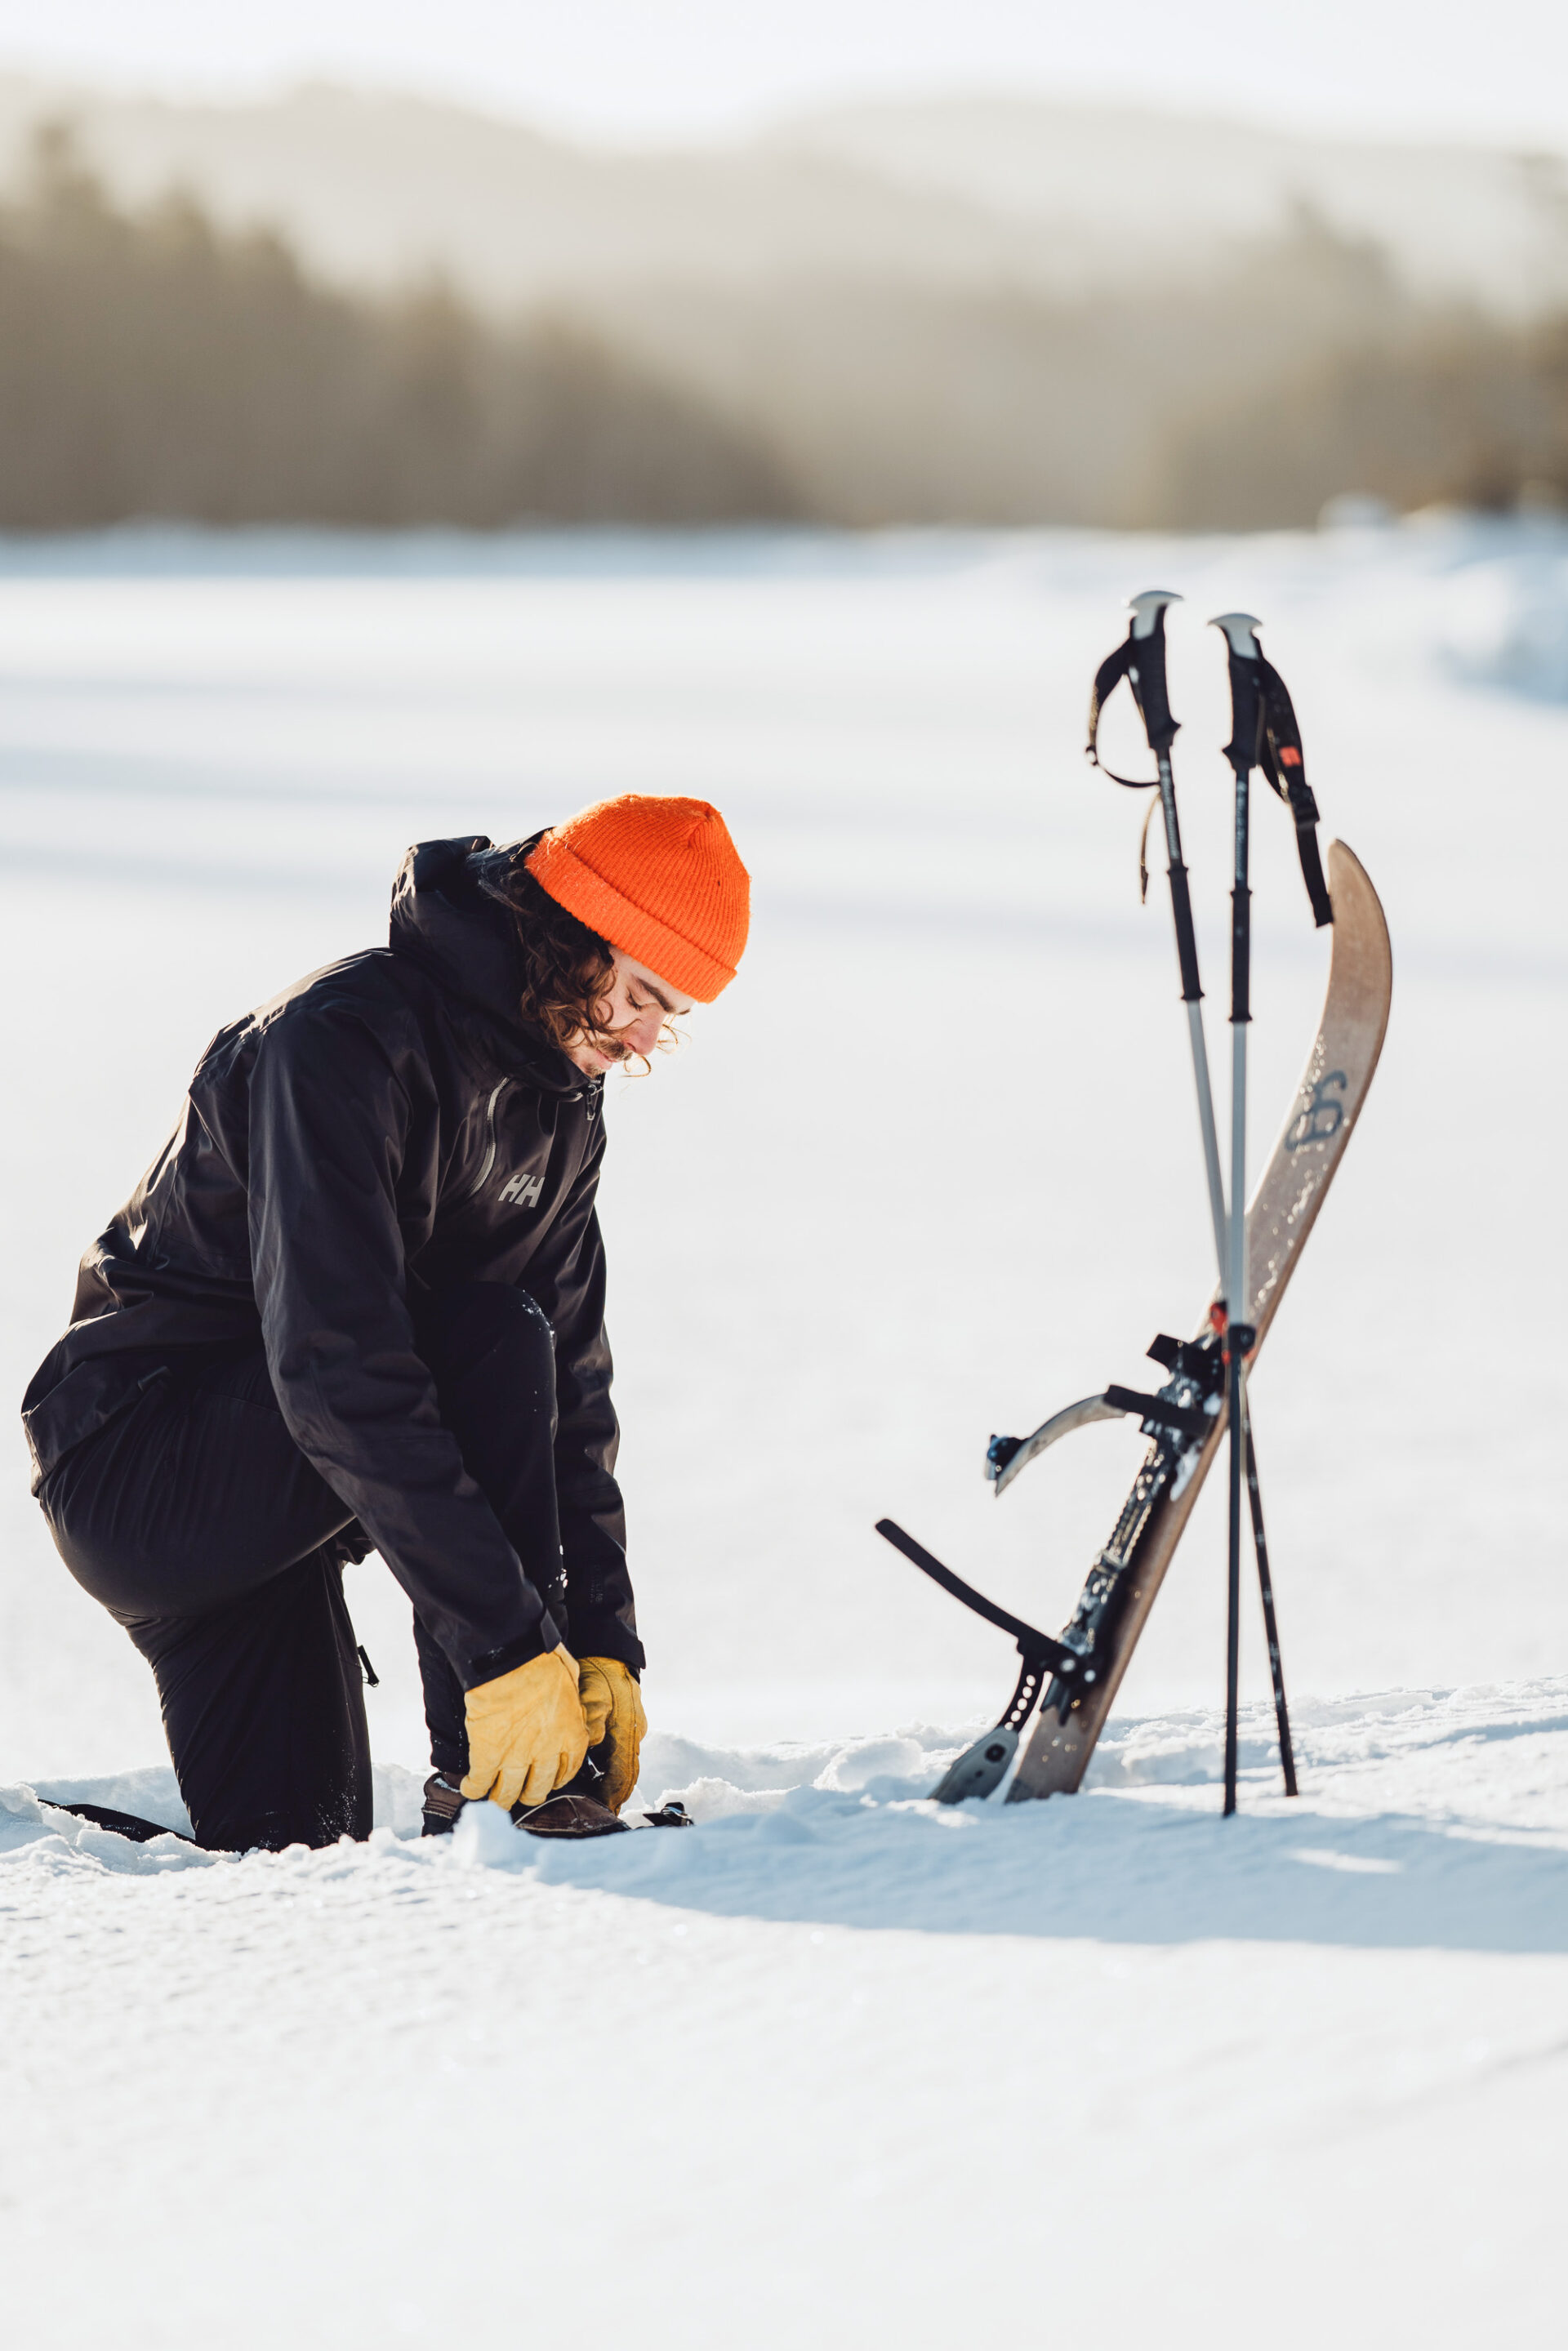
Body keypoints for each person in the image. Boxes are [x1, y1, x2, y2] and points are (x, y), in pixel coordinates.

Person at [21, 795, 749, 1851]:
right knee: (488, 1334)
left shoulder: (561, 1108)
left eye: (670, 1016)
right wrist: (506, 1653)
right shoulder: (342, 1042)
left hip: (281, 1525)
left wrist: (602, 1644)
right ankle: (508, 1796)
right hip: (142, 1461)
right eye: (640, 994)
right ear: (568, 934)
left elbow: (573, 1396)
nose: (644, 1039)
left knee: (301, 1859)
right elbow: (339, 1365)